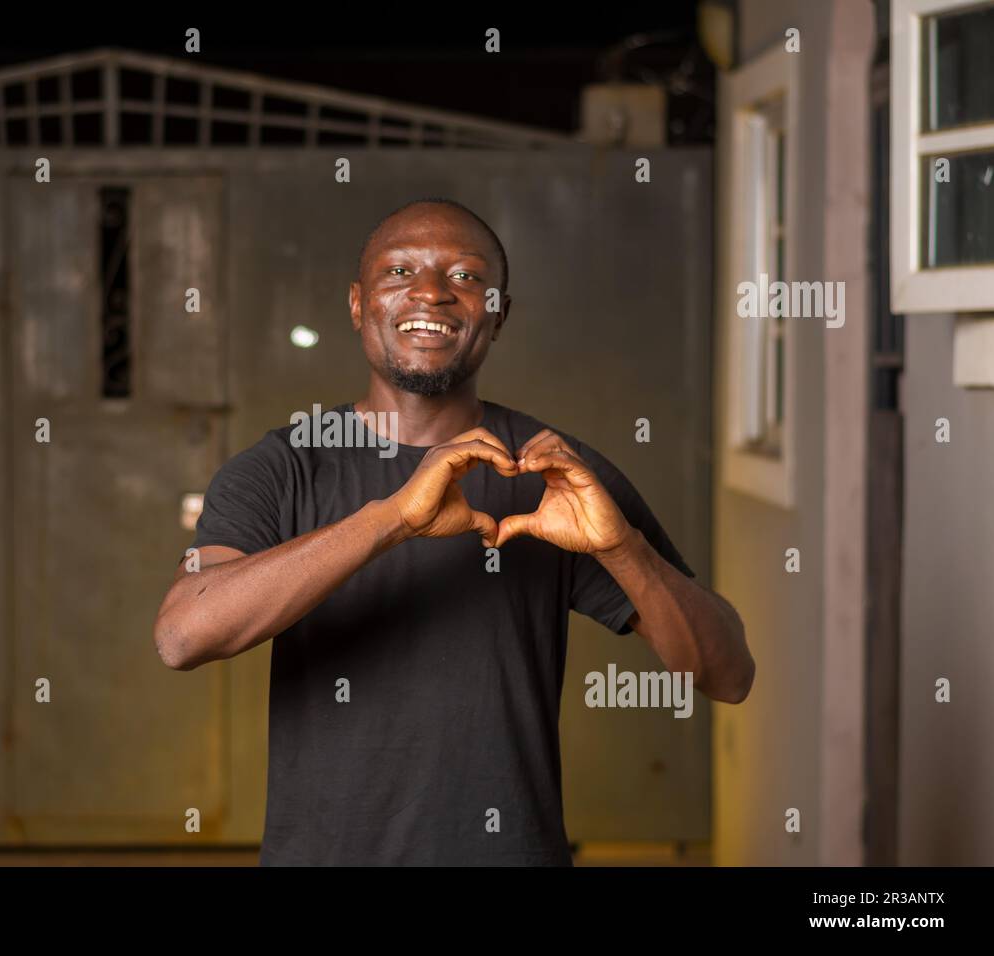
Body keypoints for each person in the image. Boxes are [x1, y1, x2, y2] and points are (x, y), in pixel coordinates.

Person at [153, 198, 753, 865]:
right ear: (357, 304)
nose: (431, 291)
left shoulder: (554, 474)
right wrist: (393, 518)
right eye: (399, 271)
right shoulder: (285, 466)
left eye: (465, 276)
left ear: (498, 314)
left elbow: (728, 675)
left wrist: (623, 550)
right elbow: (182, 636)